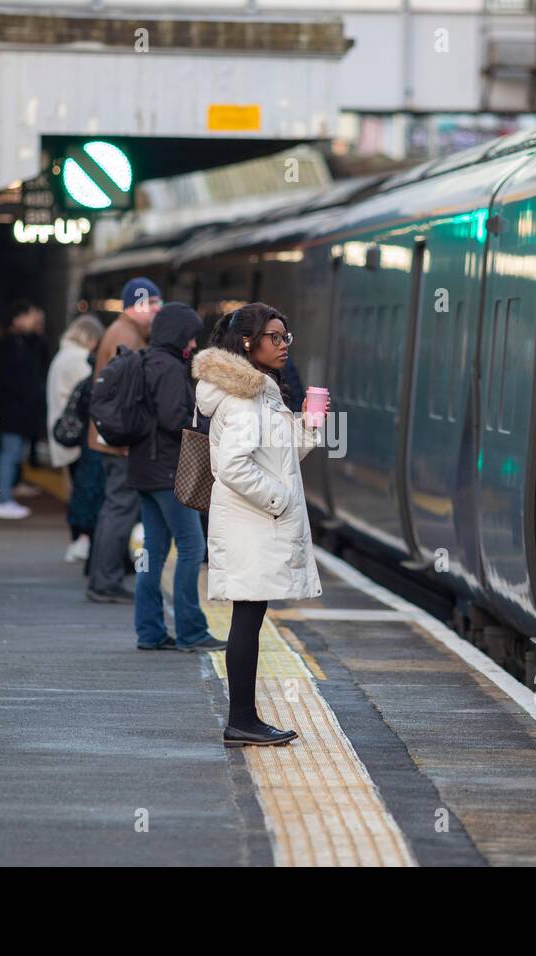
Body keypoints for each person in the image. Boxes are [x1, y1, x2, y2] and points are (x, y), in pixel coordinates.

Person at [191, 303, 329, 747]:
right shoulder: (244, 397)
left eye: (286, 337)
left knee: (250, 618)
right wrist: (278, 500)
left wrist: (309, 426)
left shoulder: (261, 392)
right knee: (247, 620)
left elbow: (280, 456)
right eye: (274, 337)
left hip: (254, 523)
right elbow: (232, 465)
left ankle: (244, 719)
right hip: (251, 524)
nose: (284, 345)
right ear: (248, 342)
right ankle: (241, 720)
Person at [127, 303, 226, 652]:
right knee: (192, 547)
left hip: (145, 470)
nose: (194, 343)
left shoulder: (146, 360)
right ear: (177, 334)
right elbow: (173, 419)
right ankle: (191, 631)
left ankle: (149, 631)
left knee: (152, 551)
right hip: (168, 472)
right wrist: (204, 422)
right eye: (190, 336)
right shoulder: (168, 368)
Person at [86, 278, 159, 603]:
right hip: (119, 440)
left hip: (112, 436)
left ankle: (104, 577)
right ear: (135, 305)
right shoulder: (126, 336)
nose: (157, 310)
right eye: (152, 304)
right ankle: (105, 581)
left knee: (115, 506)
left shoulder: (123, 331)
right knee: (120, 508)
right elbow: (129, 394)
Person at [0, 300, 48, 520]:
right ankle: (3, 500)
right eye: (29, 316)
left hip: (17, 410)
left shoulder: (24, 342)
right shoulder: (9, 345)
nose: (33, 320)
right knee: (9, 453)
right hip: (12, 409)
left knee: (14, 452)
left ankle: (8, 493)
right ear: (16, 319)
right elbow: (10, 379)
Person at [47, 315, 104, 562]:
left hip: (63, 432)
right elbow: (94, 388)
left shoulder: (62, 355)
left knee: (76, 489)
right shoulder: (78, 358)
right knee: (85, 490)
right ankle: (81, 540)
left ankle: (78, 541)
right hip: (78, 435)